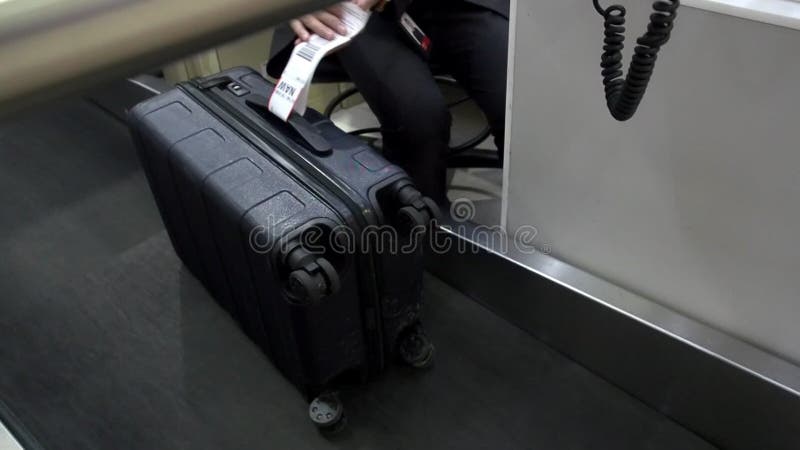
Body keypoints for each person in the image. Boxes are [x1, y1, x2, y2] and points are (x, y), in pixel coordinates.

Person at [268, 0, 509, 206]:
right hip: (360, 12)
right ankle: (419, 239)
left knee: (520, 100)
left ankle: (533, 235)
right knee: (418, 117)